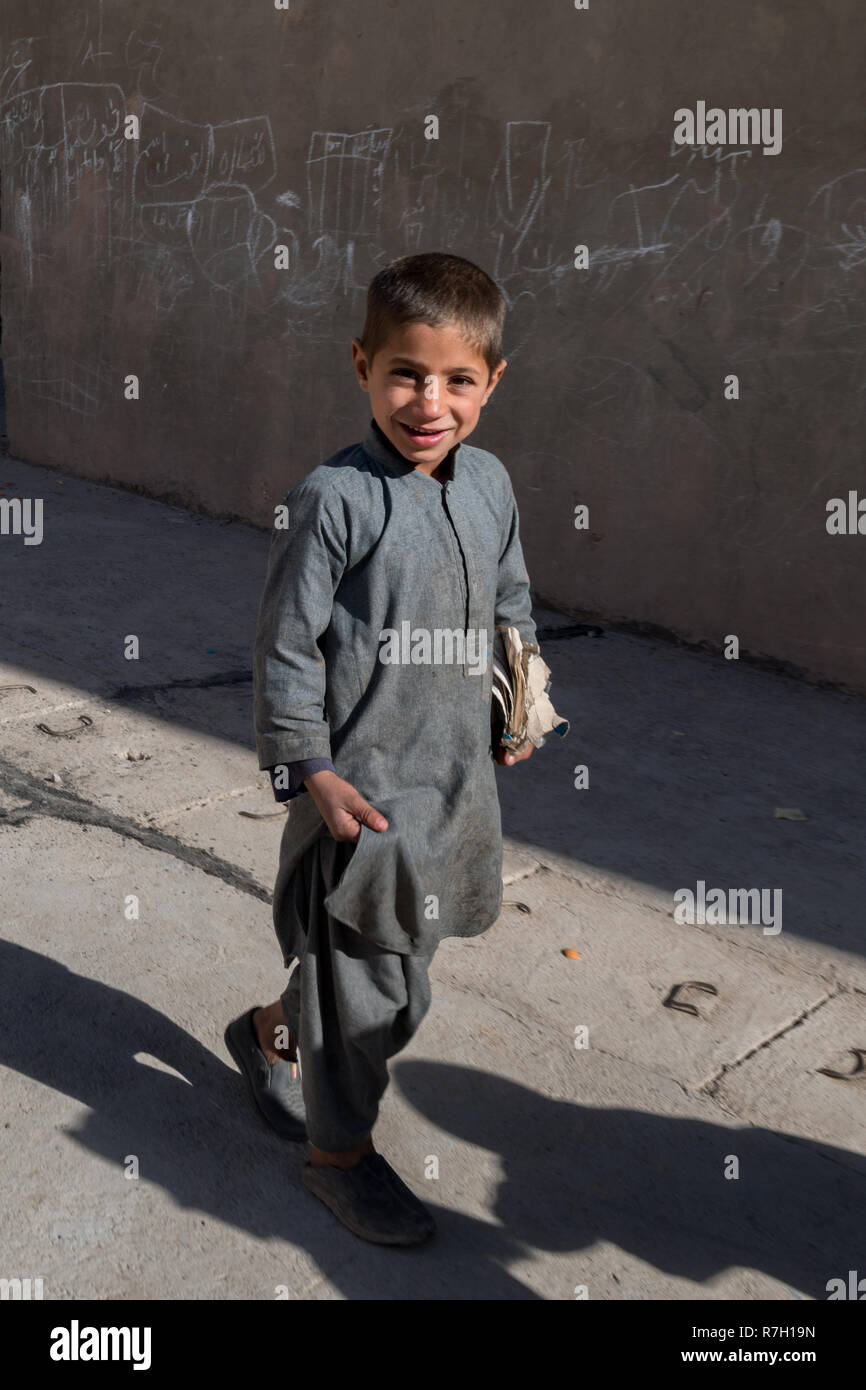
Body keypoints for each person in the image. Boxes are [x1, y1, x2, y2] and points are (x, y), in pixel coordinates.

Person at [227, 251, 549, 1246]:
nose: (428, 401)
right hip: (361, 797)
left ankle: (276, 1032)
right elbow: (284, 648)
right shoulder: (336, 499)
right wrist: (308, 769)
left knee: (385, 966)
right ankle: (339, 1157)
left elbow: (508, 599)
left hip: (453, 786)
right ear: (361, 364)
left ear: (492, 383)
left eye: (458, 380)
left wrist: (519, 695)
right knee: (381, 993)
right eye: (405, 372)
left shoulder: (489, 485)